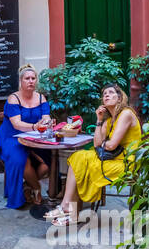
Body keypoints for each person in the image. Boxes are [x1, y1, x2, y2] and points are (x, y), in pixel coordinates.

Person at [45, 84, 140, 226]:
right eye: (104, 94)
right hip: (112, 157)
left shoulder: (126, 113)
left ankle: (70, 211)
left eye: (110, 93)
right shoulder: (108, 120)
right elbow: (97, 143)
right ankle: (67, 207)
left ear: (119, 97)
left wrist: (104, 144)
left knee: (83, 164)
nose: (106, 95)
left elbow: (112, 144)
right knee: (78, 158)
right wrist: (99, 120)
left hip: (126, 162)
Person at [0, 65, 52, 212]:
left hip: (34, 138)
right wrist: (35, 126)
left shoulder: (41, 98)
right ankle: (37, 188)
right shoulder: (13, 99)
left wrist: (46, 122)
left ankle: (27, 185)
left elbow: (46, 118)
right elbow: (17, 124)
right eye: (27, 78)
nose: (31, 81)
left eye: (33, 78)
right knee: (21, 161)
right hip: (12, 137)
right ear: (21, 81)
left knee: (48, 162)